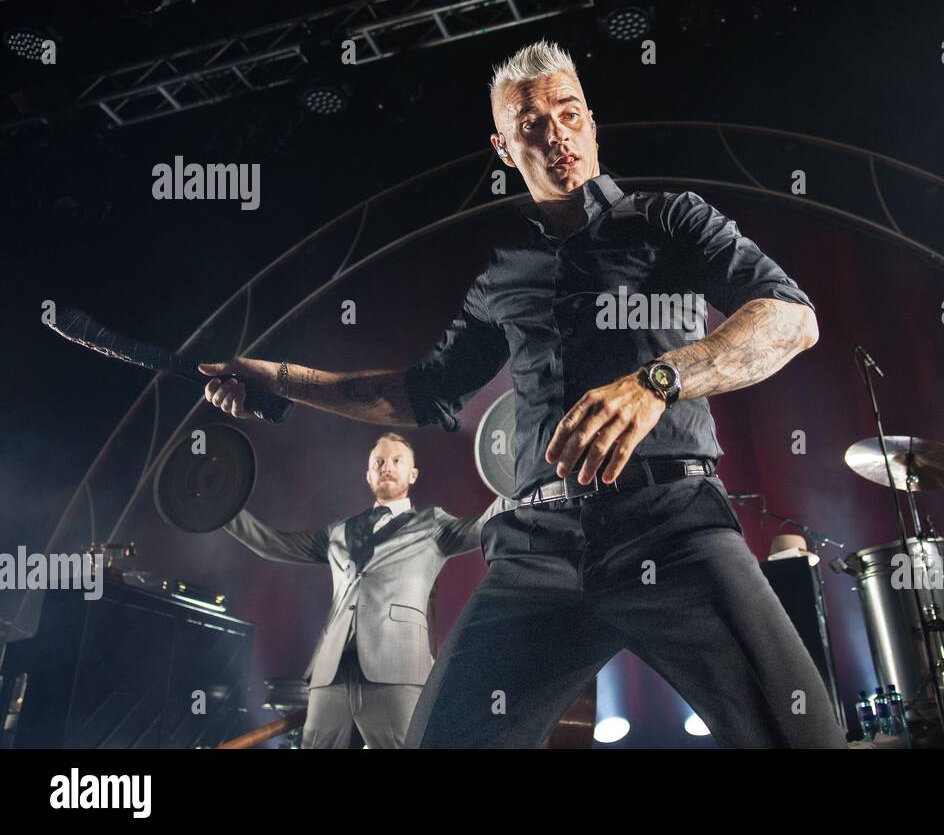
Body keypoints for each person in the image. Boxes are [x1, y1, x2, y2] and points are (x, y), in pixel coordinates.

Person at [198, 39, 845, 748]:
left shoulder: (672, 220)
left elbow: (791, 317)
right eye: (532, 126)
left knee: (803, 737)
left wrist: (659, 380)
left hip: (674, 526)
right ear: (505, 148)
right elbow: (419, 396)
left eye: (569, 114)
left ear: (591, 123)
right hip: (538, 549)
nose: (557, 134)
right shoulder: (504, 275)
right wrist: (281, 380)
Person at [225, 431, 511, 747]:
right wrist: (220, 510)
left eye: (396, 461)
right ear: (368, 474)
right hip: (331, 673)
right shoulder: (338, 531)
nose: (386, 467)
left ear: (412, 474)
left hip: (397, 670)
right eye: (379, 462)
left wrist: (521, 482)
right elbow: (271, 543)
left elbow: (486, 524)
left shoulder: (433, 525)